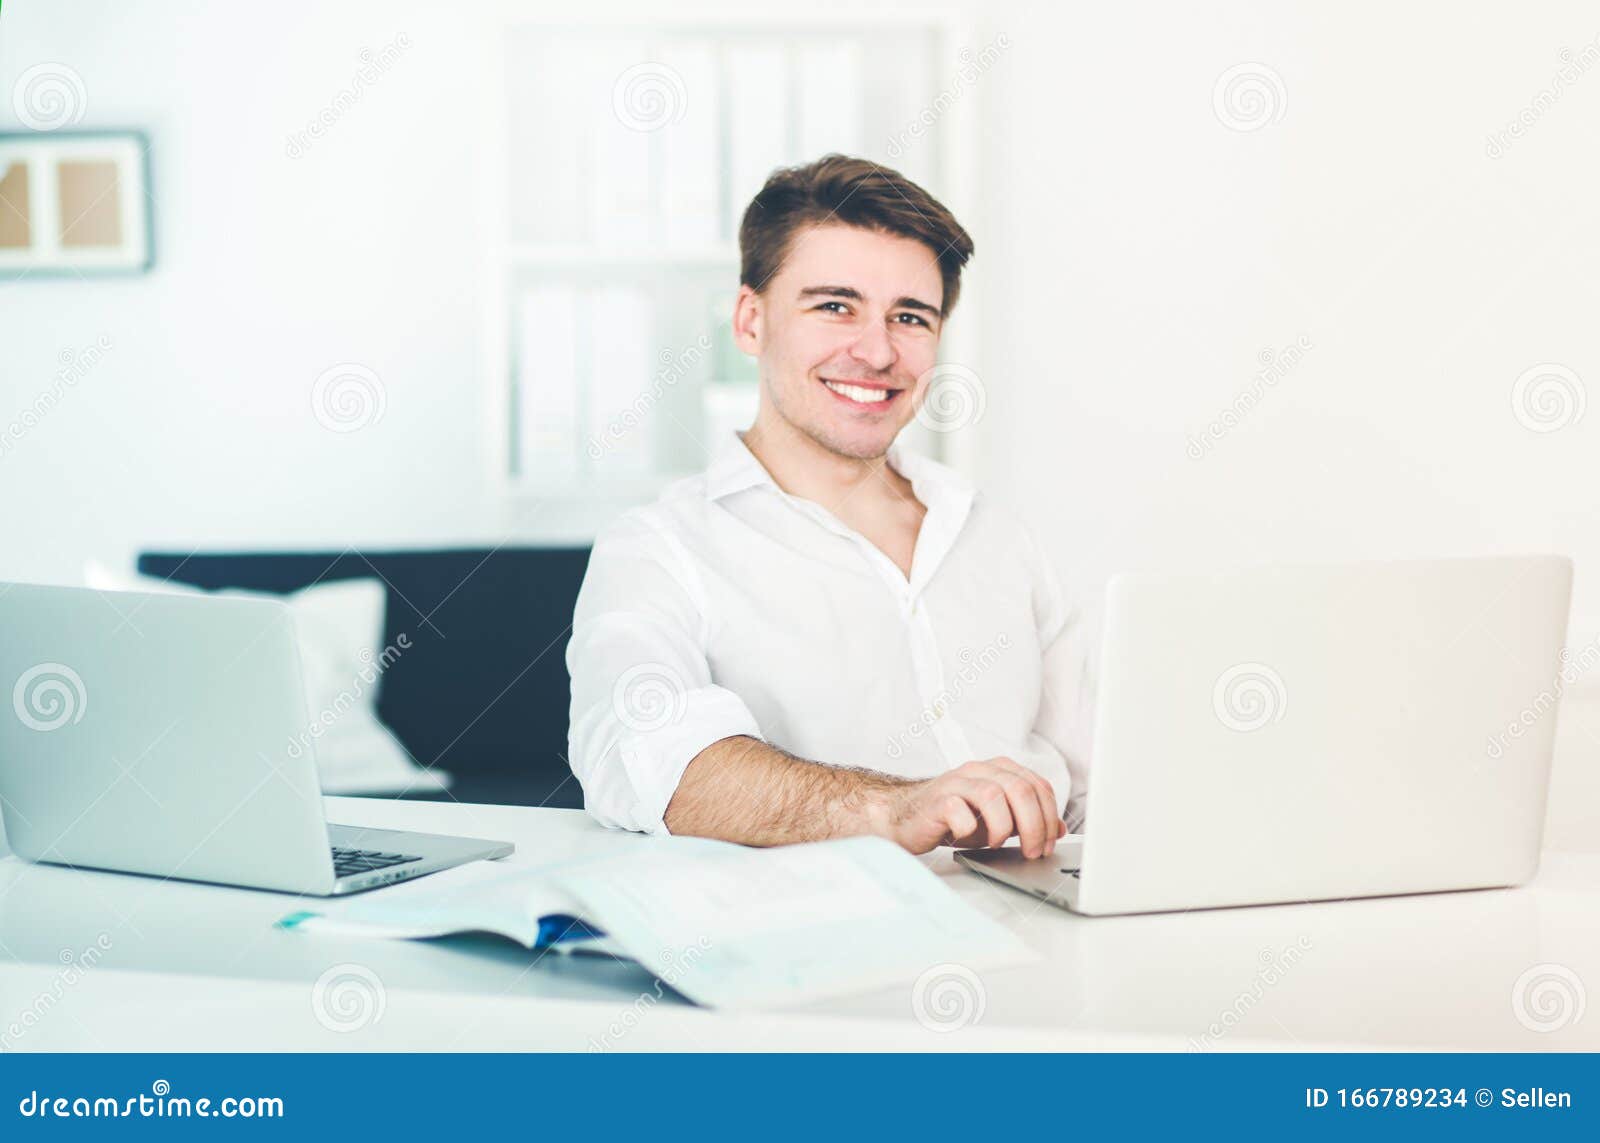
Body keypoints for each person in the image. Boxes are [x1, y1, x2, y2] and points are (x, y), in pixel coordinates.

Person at [566, 155, 1093, 859]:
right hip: (828, 943)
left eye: (910, 317)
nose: (877, 352)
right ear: (751, 322)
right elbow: (650, 763)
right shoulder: (660, 548)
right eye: (835, 305)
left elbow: (1097, 777)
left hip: (1050, 929)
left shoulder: (997, 533)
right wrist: (894, 807)